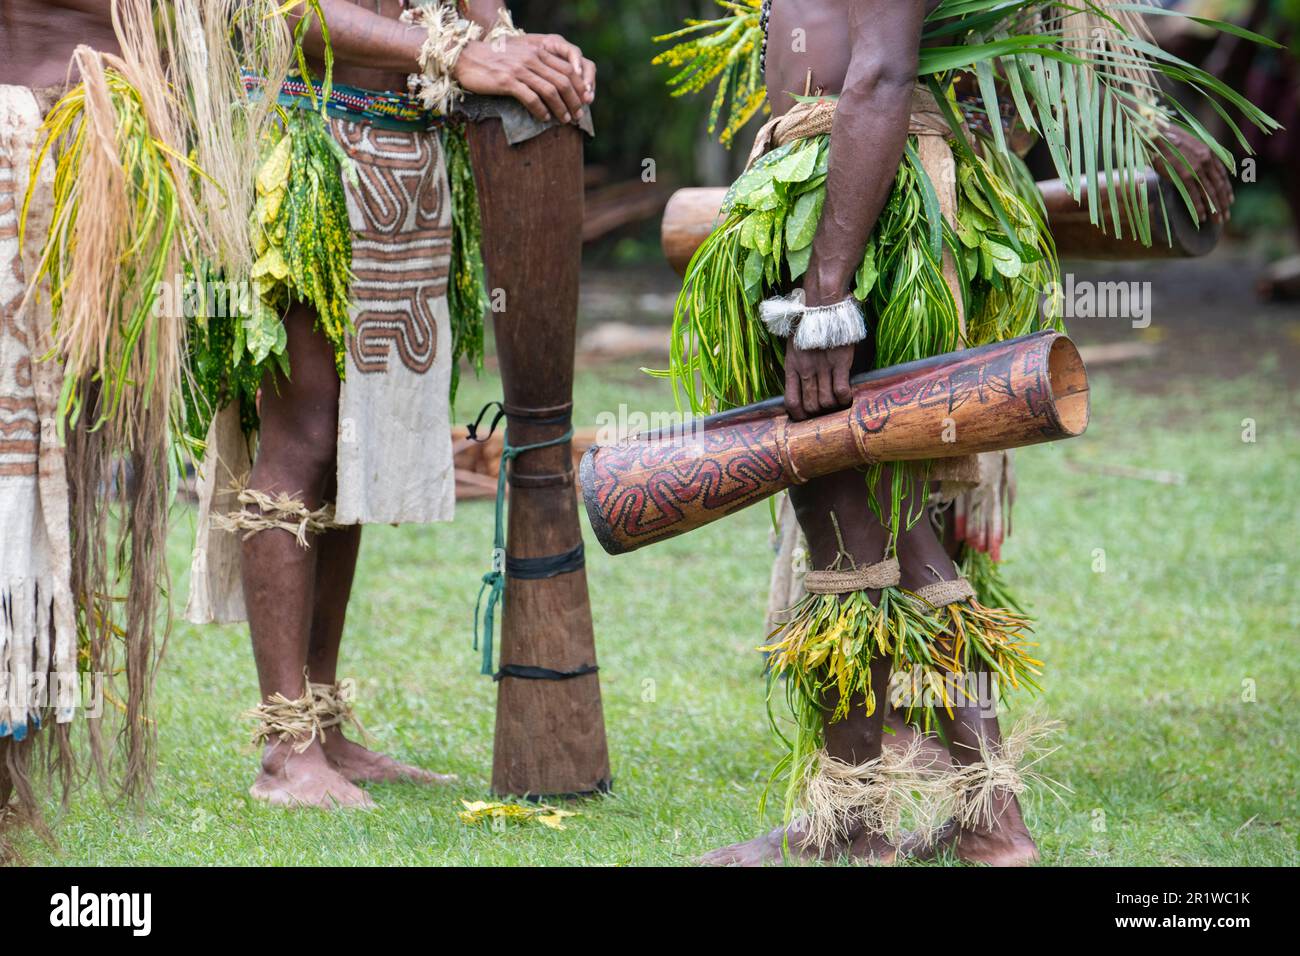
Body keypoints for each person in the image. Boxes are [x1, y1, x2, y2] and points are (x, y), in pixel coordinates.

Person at [655, 0, 1250, 865]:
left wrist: (826, 298)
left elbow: (883, 72)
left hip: (854, 196)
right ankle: (975, 821)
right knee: (886, 521)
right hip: (854, 185)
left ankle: (866, 831)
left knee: (851, 520)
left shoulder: (859, 171)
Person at [180, 0, 597, 809]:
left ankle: (325, 724)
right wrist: (457, 52)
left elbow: (481, 19)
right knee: (302, 435)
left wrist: (531, 53)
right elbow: (281, 14)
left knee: (347, 442)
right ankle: (284, 746)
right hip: (306, 146)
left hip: (405, 162)